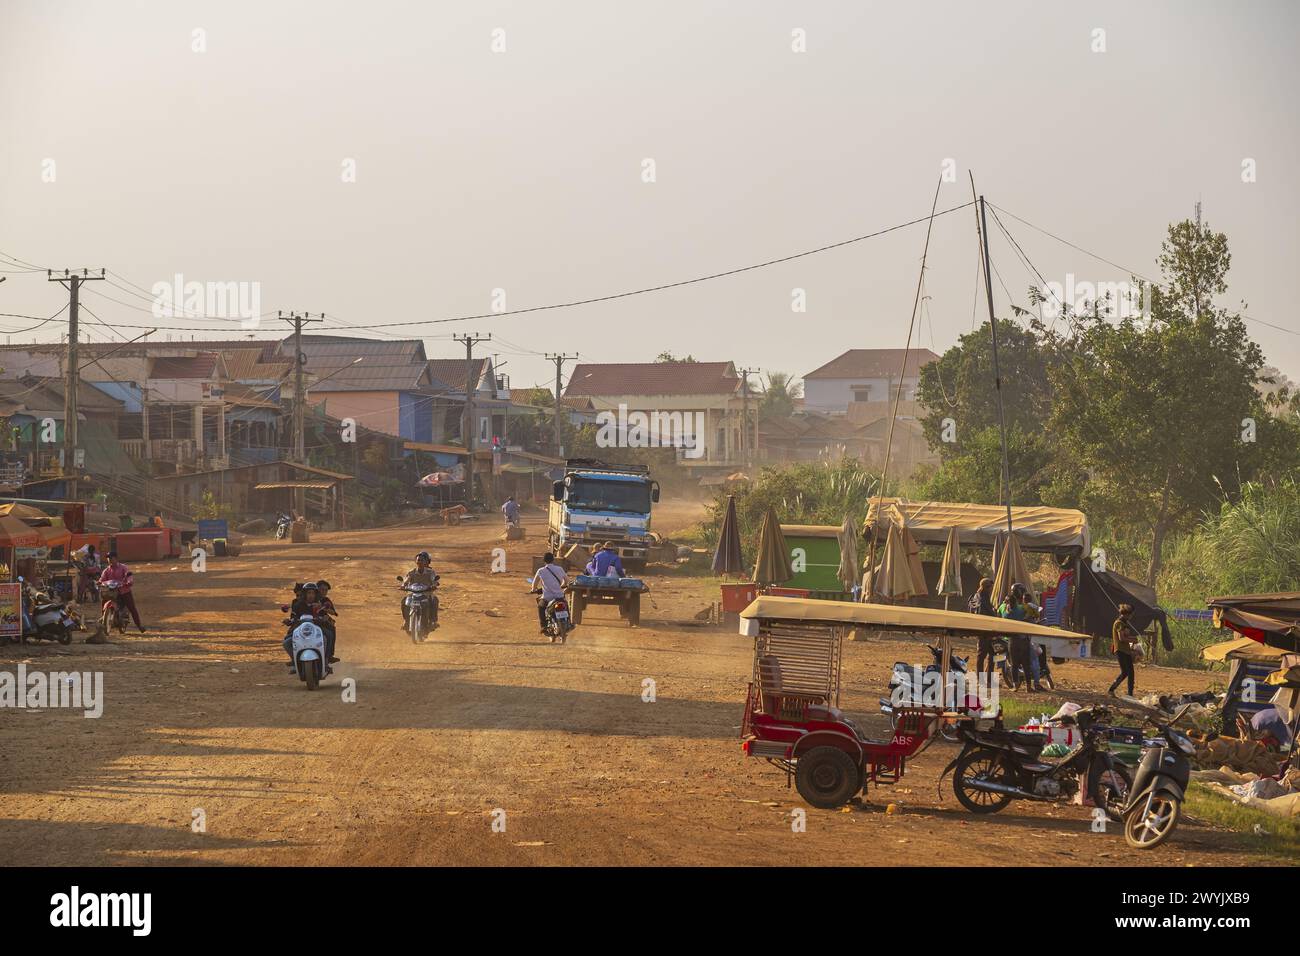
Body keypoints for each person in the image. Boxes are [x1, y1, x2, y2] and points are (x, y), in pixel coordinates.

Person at [999, 583, 1042, 692]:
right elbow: (1033, 617)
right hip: (1023, 640)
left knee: (1014, 664)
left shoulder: (1004, 610)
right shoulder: (1023, 608)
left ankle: (1015, 685)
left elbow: (998, 614)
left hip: (1011, 641)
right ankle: (1029, 686)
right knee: (1027, 663)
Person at [98, 551, 144, 633]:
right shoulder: (106, 570)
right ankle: (103, 618)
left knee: (132, 608)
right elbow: (102, 579)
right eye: (108, 558)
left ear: (116, 558)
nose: (109, 560)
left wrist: (129, 582)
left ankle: (139, 625)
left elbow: (129, 576)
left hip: (124, 591)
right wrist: (99, 582)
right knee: (103, 600)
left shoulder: (123, 567)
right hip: (111, 592)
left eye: (111, 558)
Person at [530, 552, 568, 635]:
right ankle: (569, 622)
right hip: (559, 597)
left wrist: (533, 589)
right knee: (566, 605)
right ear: (553, 560)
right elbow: (566, 581)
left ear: (544, 561)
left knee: (540, 607)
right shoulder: (560, 569)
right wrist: (562, 585)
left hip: (547, 598)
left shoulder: (541, 570)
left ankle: (543, 626)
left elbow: (534, 583)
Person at [1107, 604, 1140, 697]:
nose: (1131, 617)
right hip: (1120, 650)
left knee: (1127, 672)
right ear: (1127, 614)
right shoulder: (1119, 623)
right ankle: (1128, 694)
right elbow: (1121, 638)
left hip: (1125, 650)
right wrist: (1133, 640)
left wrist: (1133, 638)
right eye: (1130, 615)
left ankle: (1113, 689)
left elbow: (1126, 637)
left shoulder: (1124, 623)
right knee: (1128, 672)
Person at [401, 551, 439, 629]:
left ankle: (433, 621)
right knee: (404, 601)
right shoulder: (412, 572)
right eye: (419, 560)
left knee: (434, 600)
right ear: (416, 561)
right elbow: (406, 580)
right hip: (413, 593)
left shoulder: (430, 572)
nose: (421, 562)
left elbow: (434, 580)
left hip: (426, 593)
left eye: (423, 560)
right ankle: (406, 620)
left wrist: (434, 585)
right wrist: (403, 585)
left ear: (427, 561)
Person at [968, 577, 996, 677]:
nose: (991, 589)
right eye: (990, 587)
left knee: (989, 655)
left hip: (983, 630)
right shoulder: (982, 598)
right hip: (985, 630)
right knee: (984, 655)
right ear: (986, 587)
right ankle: (983, 679)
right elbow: (988, 613)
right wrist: (995, 615)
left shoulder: (977, 596)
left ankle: (987, 678)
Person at [315, 579, 339, 664]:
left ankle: (329, 656)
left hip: (321, 622)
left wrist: (324, 608)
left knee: (331, 631)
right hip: (308, 621)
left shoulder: (326, 600)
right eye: (322, 589)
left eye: (326, 590)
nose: (324, 592)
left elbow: (334, 612)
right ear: (316, 589)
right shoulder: (309, 597)